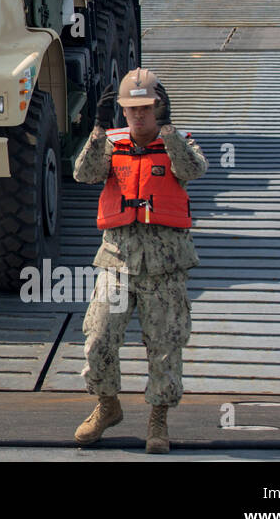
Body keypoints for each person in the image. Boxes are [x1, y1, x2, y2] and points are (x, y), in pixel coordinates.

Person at [71, 68, 207, 453]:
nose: (139, 116)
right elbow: (83, 173)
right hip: (117, 261)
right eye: (132, 109)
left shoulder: (177, 143)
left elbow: (194, 170)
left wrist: (170, 134)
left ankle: (158, 419)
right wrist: (97, 130)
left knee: (165, 344)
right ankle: (107, 405)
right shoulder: (112, 145)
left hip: (165, 267)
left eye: (147, 108)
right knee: (98, 337)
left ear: (160, 108)